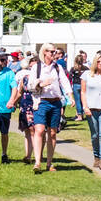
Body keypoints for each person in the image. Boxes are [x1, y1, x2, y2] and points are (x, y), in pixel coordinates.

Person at [26, 45, 73, 173]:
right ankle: (37, 162)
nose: (54, 54)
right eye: (52, 51)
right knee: (39, 130)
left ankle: (49, 163)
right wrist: (41, 84)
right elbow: (29, 85)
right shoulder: (37, 67)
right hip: (41, 102)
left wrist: (71, 97)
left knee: (52, 133)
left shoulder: (57, 67)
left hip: (56, 103)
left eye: (55, 52)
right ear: (44, 52)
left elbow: (65, 82)